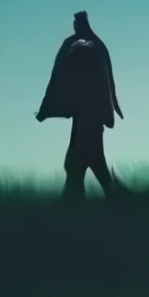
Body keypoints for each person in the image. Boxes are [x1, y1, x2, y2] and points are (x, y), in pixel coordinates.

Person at [36, 11, 125, 199]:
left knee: (85, 161)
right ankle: (78, 200)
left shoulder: (85, 47)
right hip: (86, 115)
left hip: (89, 117)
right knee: (80, 163)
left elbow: (63, 74)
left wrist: (47, 108)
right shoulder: (95, 46)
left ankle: (105, 196)